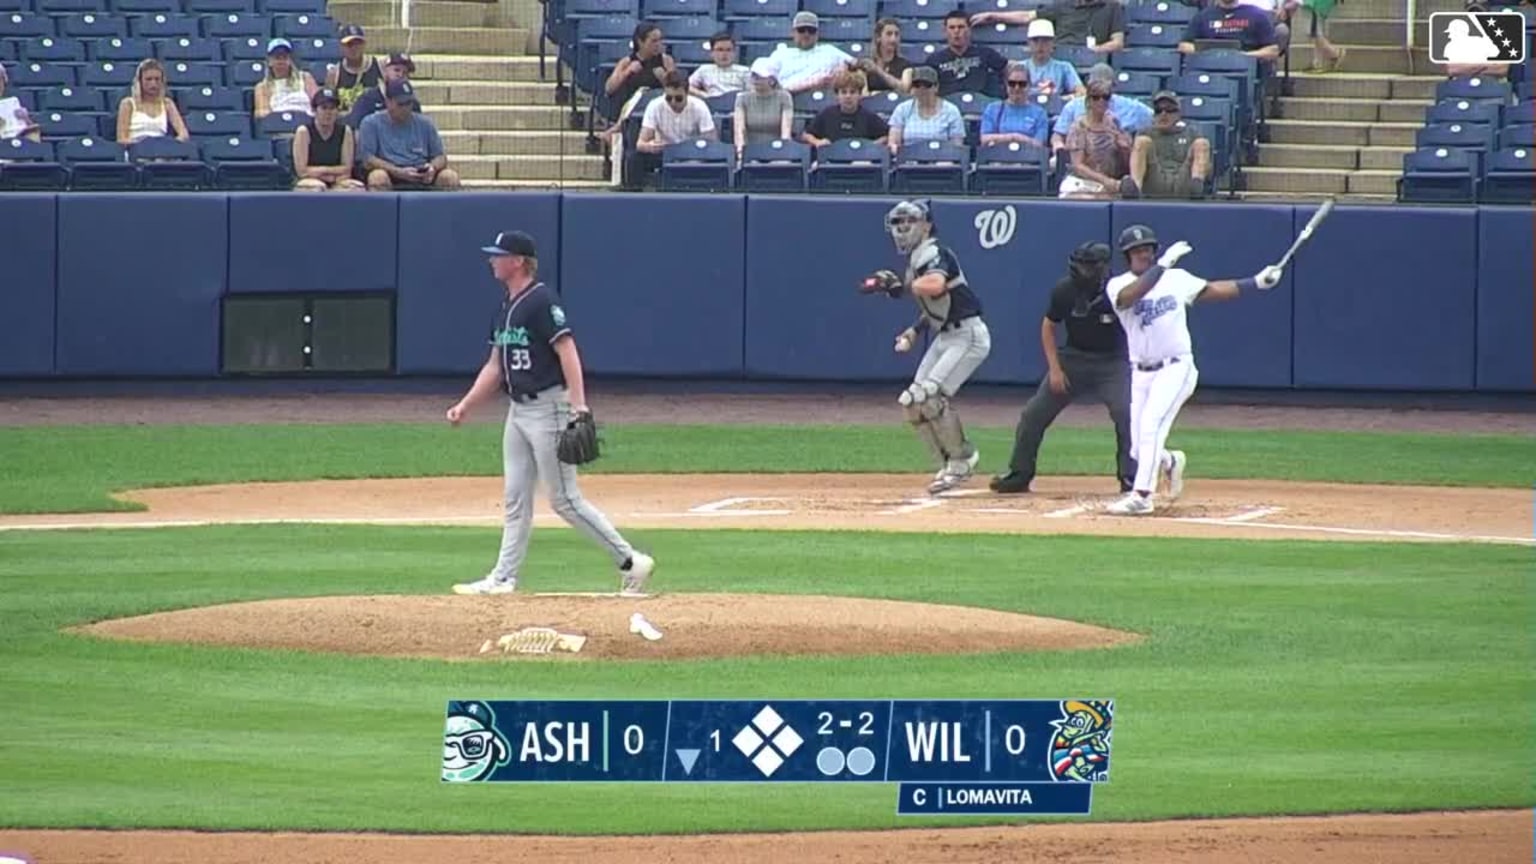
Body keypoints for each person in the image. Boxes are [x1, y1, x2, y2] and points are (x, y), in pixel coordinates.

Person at [448, 231, 656, 596]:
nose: (492, 260)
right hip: (518, 411)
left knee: (564, 499)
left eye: (499, 255)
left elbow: (567, 349)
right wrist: (466, 404)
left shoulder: (541, 301)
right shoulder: (505, 307)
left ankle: (630, 561)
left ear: (518, 261)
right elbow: (495, 366)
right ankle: (503, 577)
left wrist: (579, 406)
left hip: (549, 409)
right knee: (515, 498)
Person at [1101, 225, 1281, 515]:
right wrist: (1162, 265)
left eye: (1147, 249)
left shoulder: (1176, 278)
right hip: (1141, 372)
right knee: (1137, 447)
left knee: (1151, 427)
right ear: (1127, 256)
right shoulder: (1117, 285)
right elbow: (1129, 297)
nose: (1143, 255)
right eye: (1137, 251)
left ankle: (1142, 496)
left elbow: (1211, 290)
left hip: (1175, 367)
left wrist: (1256, 282)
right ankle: (1170, 461)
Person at [866, 200, 993, 495]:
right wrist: (913, 331)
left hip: (968, 335)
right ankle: (947, 463)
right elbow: (935, 305)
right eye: (897, 222)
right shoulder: (916, 259)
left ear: (926, 225)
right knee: (911, 402)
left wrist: (901, 287)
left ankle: (962, 460)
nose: (902, 228)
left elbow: (936, 285)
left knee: (930, 395)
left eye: (909, 221)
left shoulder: (935, 252)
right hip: (945, 336)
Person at [991, 242, 1134, 495]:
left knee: (1126, 413)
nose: (1082, 270)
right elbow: (1049, 325)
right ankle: (1020, 473)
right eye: (1080, 265)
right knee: (1033, 414)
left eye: (1088, 266)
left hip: (1112, 362)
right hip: (1073, 358)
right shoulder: (1064, 290)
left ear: (1102, 267)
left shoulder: (1118, 291)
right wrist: (1055, 369)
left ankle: (1129, 476)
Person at [357, 79, 460, 190]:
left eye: (409, 103)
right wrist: (397, 171)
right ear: (388, 102)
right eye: (401, 104)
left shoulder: (425, 123)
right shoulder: (371, 123)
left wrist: (432, 168)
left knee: (449, 176)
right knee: (377, 177)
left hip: (421, 174)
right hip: (390, 174)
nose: (406, 108)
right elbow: (368, 159)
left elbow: (440, 157)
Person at [1126, 90, 1211, 199]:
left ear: (1178, 114)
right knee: (1141, 141)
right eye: (1158, 110)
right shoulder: (1145, 133)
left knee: (1201, 143)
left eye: (1169, 110)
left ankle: (1197, 188)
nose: (1163, 114)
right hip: (1154, 180)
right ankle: (1134, 190)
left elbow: (1206, 165)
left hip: (1184, 181)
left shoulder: (1191, 133)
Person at [1060, 78, 1132, 198]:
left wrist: (1124, 149)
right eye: (1096, 97)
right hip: (1082, 182)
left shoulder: (1114, 123)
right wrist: (1105, 181)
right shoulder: (1079, 127)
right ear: (1088, 101)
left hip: (1111, 182)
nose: (1101, 101)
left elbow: (1126, 164)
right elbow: (1078, 166)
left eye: (1105, 97)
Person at [292, 88, 363, 191]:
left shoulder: (345, 131)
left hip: (338, 179)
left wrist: (324, 173)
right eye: (324, 108)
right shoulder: (304, 132)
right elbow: (302, 171)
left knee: (356, 187)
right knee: (317, 187)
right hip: (309, 179)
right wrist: (328, 174)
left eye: (332, 108)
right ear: (314, 110)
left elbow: (347, 168)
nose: (328, 112)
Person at [604, 20, 675, 121]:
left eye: (660, 40)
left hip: (658, 110)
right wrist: (627, 72)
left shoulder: (666, 61)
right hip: (632, 109)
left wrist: (665, 79)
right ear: (640, 42)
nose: (658, 44)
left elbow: (677, 90)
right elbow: (609, 88)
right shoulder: (627, 62)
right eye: (654, 41)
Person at [801, 69, 889, 148]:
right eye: (843, 92)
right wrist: (817, 142)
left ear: (860, 95)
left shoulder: (869, 116)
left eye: (852, 92)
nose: (848, 96)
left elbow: (886, 136)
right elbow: (806, 135)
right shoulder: (827, 114)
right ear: (837, 95)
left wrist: (871, 145)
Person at [887, 66, 966, 152]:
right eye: (917, 85)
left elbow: (957, 147)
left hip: (941, 157)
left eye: (927, 85)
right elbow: (893, 142)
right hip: (909, 158)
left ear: (936, 87)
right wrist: (895, 148)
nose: (921, 89)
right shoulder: (902, 109)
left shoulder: (951, 111)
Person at [115, 58, 190, 145]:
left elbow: (184, 134)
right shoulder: (128, 104)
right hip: (136, 148)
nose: (153, 83)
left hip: (161, 148)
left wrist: (171, 144)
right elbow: (121, 139)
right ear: (140, 81)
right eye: (148, 79)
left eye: (157, 79)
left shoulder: (167, 104)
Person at [733, 57, 794, 157]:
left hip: (776, 150)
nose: (755, 79)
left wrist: (783, 152)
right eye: (754, 75)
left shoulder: (784, 97)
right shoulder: (742, 98)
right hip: (751, 151)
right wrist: (740, 152)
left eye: (760, 76)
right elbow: (739, 130)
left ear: (772, 80)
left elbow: (786, 131)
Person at [979, 62, 1050, 147]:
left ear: (1029, 85)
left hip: (1028, 154)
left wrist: (1017, 138)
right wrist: (1012, 137)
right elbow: (984, 139)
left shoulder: (1040, 113)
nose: (1017, 88)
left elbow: (1039, 144)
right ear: (1006, 84)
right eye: (1012, 83)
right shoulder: (992, 109)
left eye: (1022, 84)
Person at [254, 38, 319, 119]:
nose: (281, 62)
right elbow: (261, 112)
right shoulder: (263, 87)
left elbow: (318, 102)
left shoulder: (305, 78)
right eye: (277, 58)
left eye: (284, 57)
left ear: (290, 60)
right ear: (269, 61)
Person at [327, 24, 384, 113]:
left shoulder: (380, 66)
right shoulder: (334, 73)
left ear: (364, 45)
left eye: (358, 44)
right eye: (349, 44)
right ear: (341, 46)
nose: (354, 48)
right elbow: (329, 104)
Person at [860, 18, 914, 93]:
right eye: (889, 34)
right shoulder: (867, 64)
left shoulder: (905, 65)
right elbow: (864, 94)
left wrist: (877, 70)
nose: (893, 39)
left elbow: (904, 89)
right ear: (878, 37)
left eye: (896, 34)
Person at [688, 32, 749, 98]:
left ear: (734, 52)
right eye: (720, 50)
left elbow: (752, 92)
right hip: (712, 101)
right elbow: (687, 86)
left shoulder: (745, 71)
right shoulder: (704, 70)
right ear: (712, 52)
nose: (724, 54)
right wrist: (704, 95)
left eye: (728, 50)